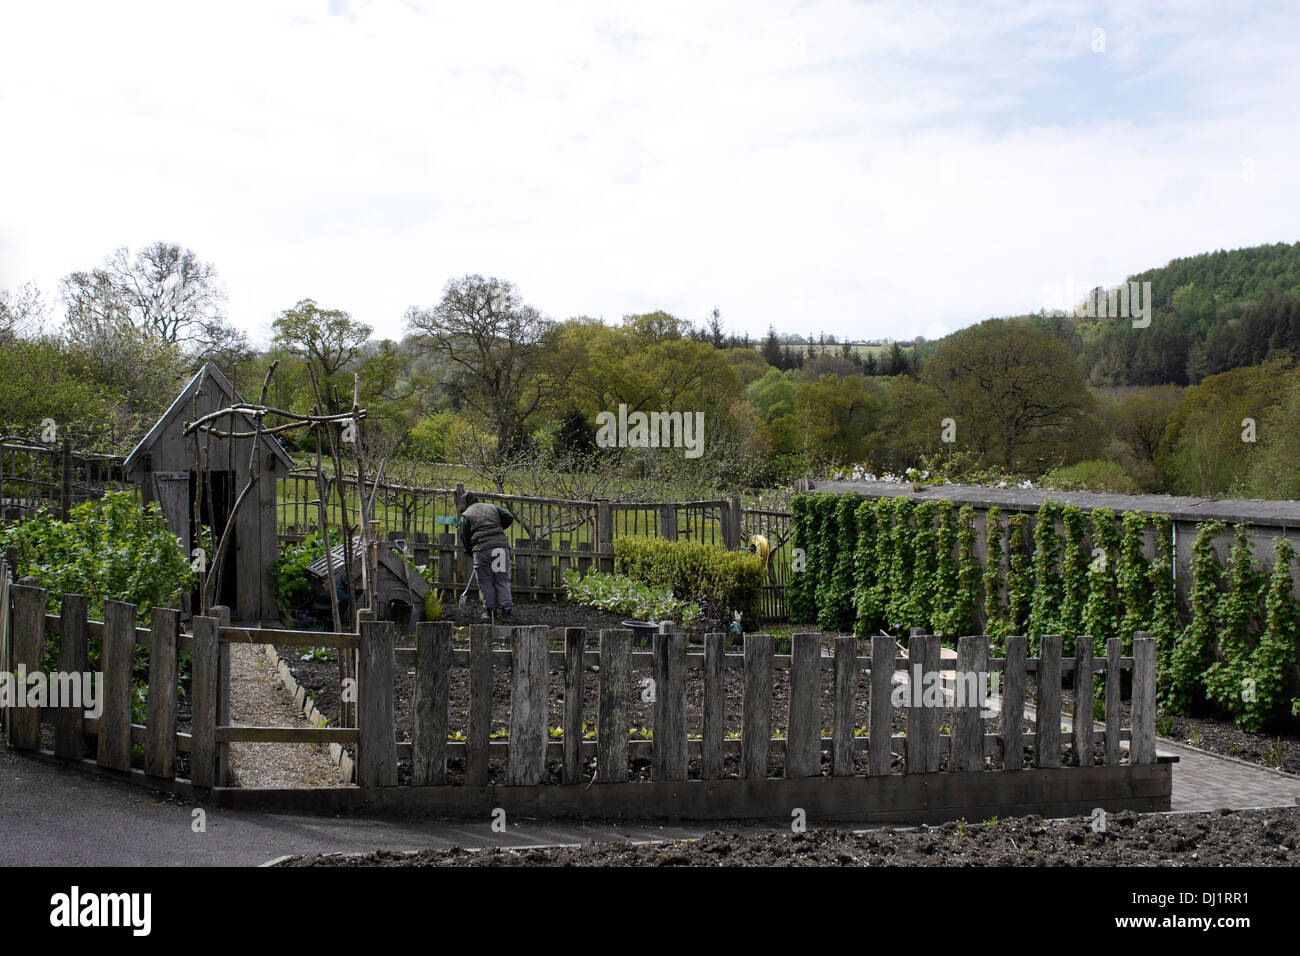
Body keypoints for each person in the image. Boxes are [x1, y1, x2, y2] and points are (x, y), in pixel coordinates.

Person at [459, 491, 515, 622]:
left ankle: (489, 612)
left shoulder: (466, 515)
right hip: (500, 548)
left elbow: (463, 536)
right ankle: (507, 611)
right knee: (502, 579)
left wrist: (470, 551)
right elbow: (509, 516)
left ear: (464, 504)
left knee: (485, 581)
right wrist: (498, 528)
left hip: (481, 549)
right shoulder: (492, 507)